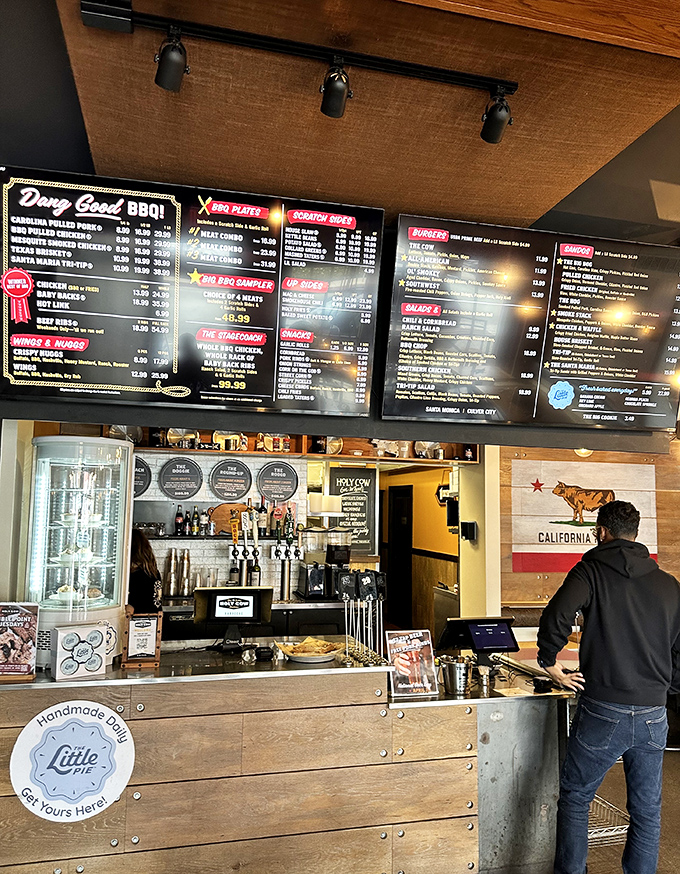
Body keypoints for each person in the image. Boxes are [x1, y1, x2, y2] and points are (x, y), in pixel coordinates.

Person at [537, 499, 680, 874]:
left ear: (601, 532)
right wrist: (666, 691)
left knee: (577, 797)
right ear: (636, 535)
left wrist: (550, 663)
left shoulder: (589, 572)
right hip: (653, 713)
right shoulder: (668, 585)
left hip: (603, 709)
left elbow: (556, 617)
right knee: (647, 811)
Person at [127, 528, 162, 614]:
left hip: (139, 625)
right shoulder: (154, 573)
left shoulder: (134, 577)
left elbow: (129, 609)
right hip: (155, 624)